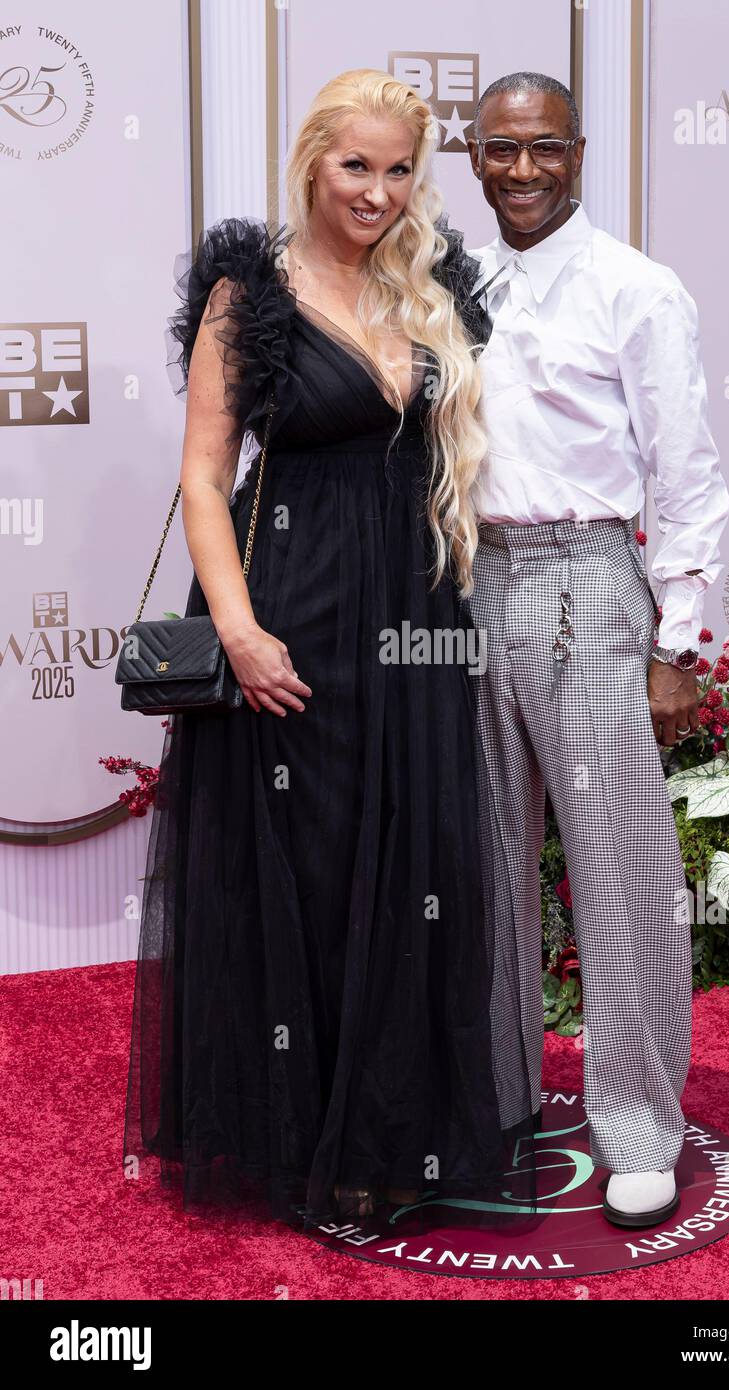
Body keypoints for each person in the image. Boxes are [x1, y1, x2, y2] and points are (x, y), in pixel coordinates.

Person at [123, 68, 536, 1241]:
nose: (377, 190)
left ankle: (392, 1129)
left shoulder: (434, 280)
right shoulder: (245, 292)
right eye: (356, 165)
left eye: (399, 167)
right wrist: (241, 628)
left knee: (418, 862)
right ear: (313, 160)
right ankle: (300, 1136)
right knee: (310, 862)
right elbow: (204, 477)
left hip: (417, 610)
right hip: (295, 611)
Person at [465, 72, 729, 1228]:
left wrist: (675, 640)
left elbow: (686, 472)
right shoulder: (449, 285)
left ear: (576, 153)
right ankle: (492, 1099)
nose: (521, 171)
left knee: (619, 874)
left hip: (589, 578)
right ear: (469, 158)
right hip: (469, 579)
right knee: (478, 867)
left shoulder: (637, 288)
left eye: (542, 149)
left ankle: (634, 1122)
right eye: (498, 150)